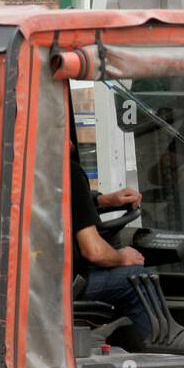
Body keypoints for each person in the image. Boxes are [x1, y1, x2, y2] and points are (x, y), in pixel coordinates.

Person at [70, 145, 153, 343]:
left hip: (40, 281)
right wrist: (122, 257)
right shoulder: (67, 171)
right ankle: (156, 348)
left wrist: (104, 201)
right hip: (64, 285)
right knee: (138, 279)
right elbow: (95, 252)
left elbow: (72, 203)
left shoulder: (31, 170)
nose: (71, 141)